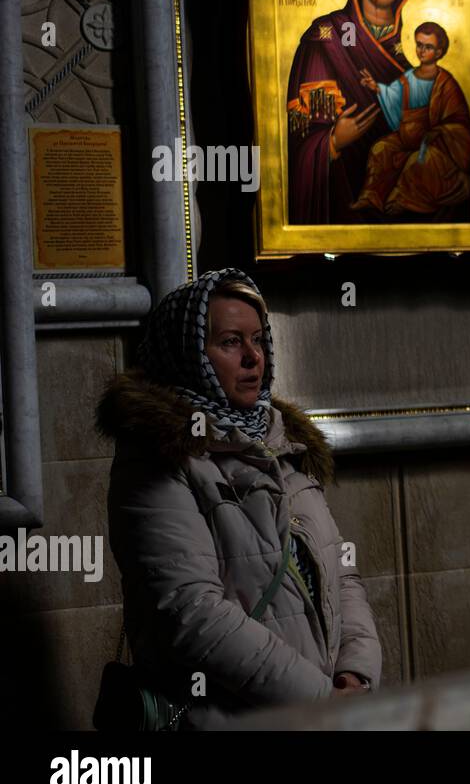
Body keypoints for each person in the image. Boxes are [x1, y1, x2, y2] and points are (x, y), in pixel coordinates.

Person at [96, 269, 381, 728]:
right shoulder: (159, 458)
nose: (253, 357)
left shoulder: (283, 445)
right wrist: (318, 697)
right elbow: (192, 613)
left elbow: (341, 575)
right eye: (231, 342)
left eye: (258, 339)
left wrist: (357, 676)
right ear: (189, 354)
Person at [285, 0, 424, 224]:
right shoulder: (325, 37)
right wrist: (333, 142)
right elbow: (301, 142)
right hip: (342, 204)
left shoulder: (408, 65)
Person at [350, 20, 470, 220]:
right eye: (419, 45)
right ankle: (371, 197)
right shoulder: (408, 78)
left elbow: (459, 121)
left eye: (428, 47)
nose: (422, 51)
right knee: (380, 149)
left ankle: (402, 200)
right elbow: (394, 97)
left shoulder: (446, 84)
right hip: (407, 136)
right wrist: (376, 88)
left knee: (419, 160)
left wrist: (439, 131)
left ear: (439, 52)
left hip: (436, 143)